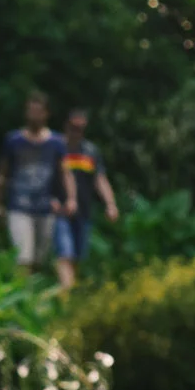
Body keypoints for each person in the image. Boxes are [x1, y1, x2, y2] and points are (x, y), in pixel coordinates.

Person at [0, 93, 66, 275]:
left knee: (39, 260)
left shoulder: (57, 142)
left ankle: (32, 296)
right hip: (19, 206)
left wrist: (65, 199)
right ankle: (22, 299)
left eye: (38, 111)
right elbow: (2, 173)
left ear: (46, 114)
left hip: (45, 207)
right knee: (24, 258)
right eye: (30, 111)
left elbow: (64, 174)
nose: (34, 115)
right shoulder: (13, 140)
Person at [52, 108, 120, 288]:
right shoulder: (56, 148)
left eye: (81, 129)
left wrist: (110, 204)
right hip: (60, 211)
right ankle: (67, 295)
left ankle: (69, 293)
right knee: (64, 254)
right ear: (66, 126)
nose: (76, 132)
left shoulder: (90, 151)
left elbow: (100, 179)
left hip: (83, 211)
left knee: (77, 257)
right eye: (73, 127)